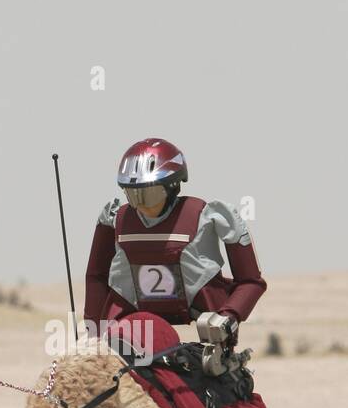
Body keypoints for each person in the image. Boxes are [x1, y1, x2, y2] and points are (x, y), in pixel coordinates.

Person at [83, 138, 266, 350]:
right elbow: (96, 276)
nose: (139, 204)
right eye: (132, 195)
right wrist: (93, 331)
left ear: (172, 186)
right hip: (124, 334)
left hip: (209, 336)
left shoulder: (210, 216)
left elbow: (251, 281)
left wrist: (229, 317)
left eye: (147, 194)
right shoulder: (114, 218)